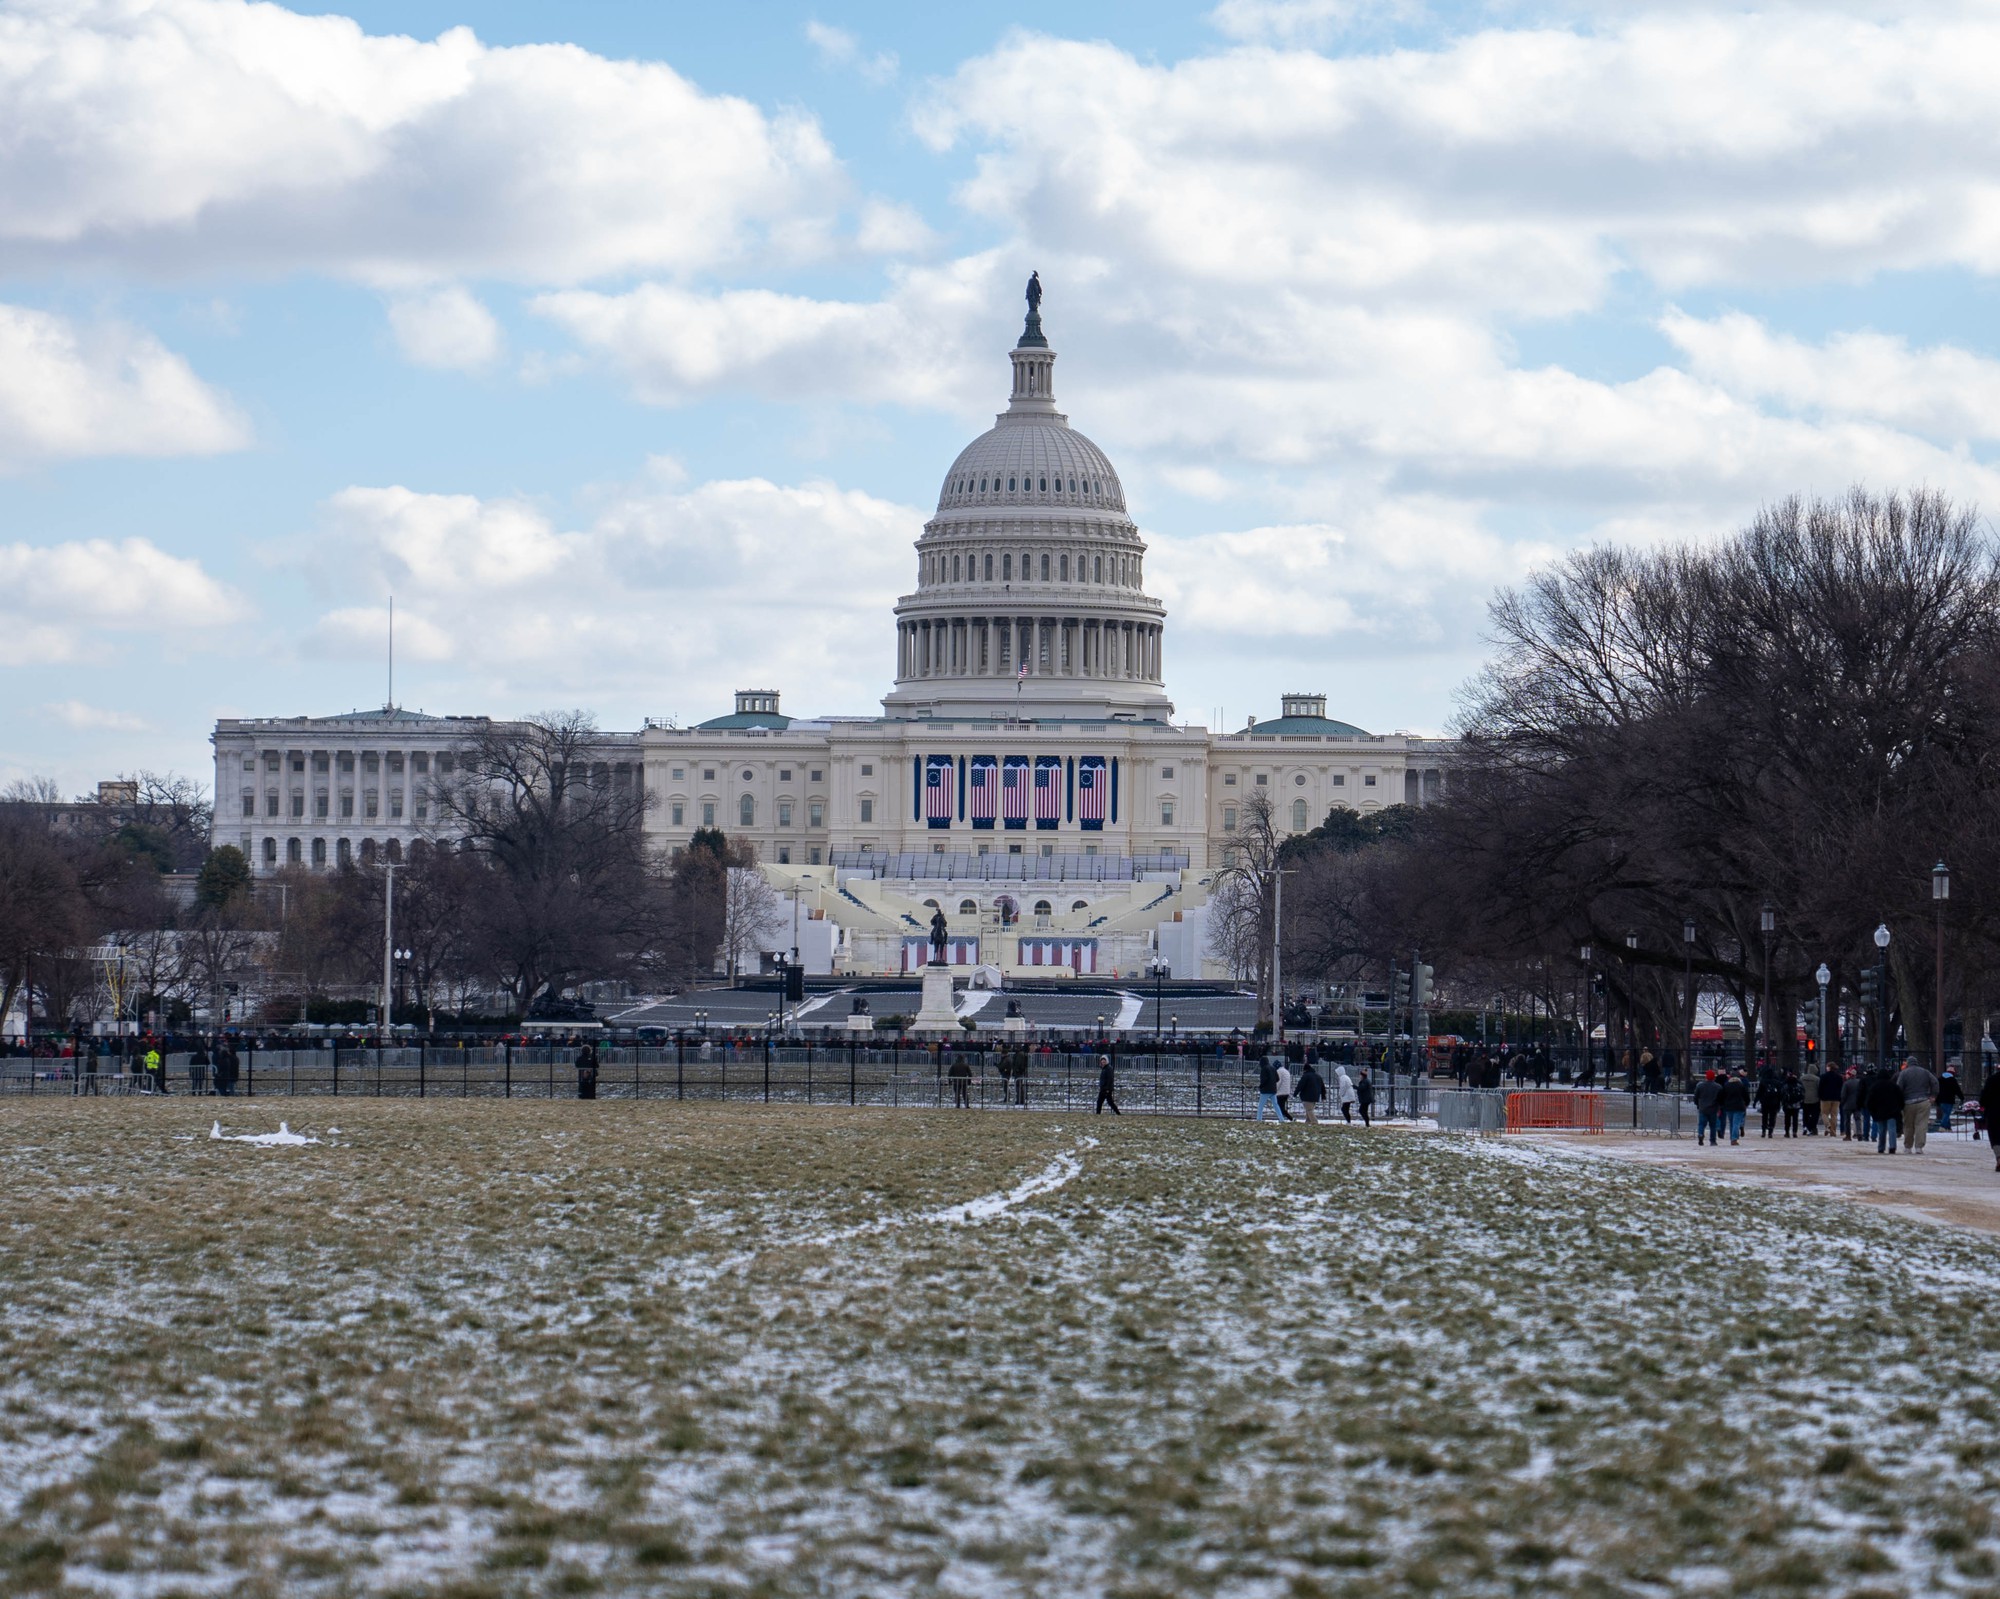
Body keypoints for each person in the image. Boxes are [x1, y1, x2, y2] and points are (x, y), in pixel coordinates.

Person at [1895, 1056, 1936, 1153]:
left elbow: (1898, 1087)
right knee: (1921, 1124)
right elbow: (1934, 1082)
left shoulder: (1903, 1073)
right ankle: (1919, 1147)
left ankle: (1908, 1147)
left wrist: (1899, 1099)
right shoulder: (1925, 1072)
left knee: (1908, 1125)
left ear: (1908, 1063)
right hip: (1923, 1101)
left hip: (1908, 1102)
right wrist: (1933, 1095)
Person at [1865, 1068, 1905, 1154]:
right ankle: (1892, 1147)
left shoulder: (1875, 1086)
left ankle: (1881, 1147)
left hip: (1879, 1112)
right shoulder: (1894, 1086)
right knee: (1892, 1129)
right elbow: (1900, 1098)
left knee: (1881, 1130)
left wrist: (1872, 1110)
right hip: (1892, 1111)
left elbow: (1870, 1100)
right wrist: (1899, 1108)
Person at [1718, 1068, 1749, 1145]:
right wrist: (1746, 1104)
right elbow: (1746, 1096)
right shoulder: (1741, 1085)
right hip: (1739, 1106)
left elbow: (1722, 1096)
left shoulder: (1726, 1085)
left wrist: (1722, 1104)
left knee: (1731, 1123)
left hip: (1729, 1107)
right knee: (1736, 1123)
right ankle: (1734, 1138)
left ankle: (1732, 1137)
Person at [1694, 1070, 1724, 1146]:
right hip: (1713, 1108)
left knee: (1701, 1124)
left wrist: (1698, 1104)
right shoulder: (1718, 1087)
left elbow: (1696, 1097)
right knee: (1713, 1125)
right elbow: (1721, 1098)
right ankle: (1712, 1140)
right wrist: (1720, 1106)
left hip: (1703, 1108)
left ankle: (1701, 1134)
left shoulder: (1700, 1086)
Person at [1980, 1068, 2000, 1172]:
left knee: (1995, 1136)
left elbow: (1984, 1096)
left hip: (1994, 1111)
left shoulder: (1992, 1079)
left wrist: (1983, 1104)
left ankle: (1999, 1157)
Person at [1297, 1059, 1325, 1124]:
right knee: (1309, 1109)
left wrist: (1296, 1093)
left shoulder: (1306, 1076)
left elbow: (1300, 1085)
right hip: (1316, 1096)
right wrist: (1323, 1096)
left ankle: (1315, 1122)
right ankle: (1308, 1121)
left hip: (1307, 1096)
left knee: (1309, 1110)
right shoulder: (1318, 1076)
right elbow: (1322, 1087)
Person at [1256, 1056, 1284, 1122]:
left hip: (1265, 1090)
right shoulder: (1273, 1068)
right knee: (1276, 1105)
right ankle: (1281, 1119)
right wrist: (1272, 1083)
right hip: (1273, 1090)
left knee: (1261, 1106)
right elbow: (1278, 1079)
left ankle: (1259, 1119)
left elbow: (1264, 1080)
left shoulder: (1264, 1069)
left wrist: (1260, 1086)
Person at [1840, 1066, 1864, 1141]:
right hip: (1857, 1104)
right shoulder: (1859, 1082)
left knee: (1847, 1120)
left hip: (1848, 1105)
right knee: (1858, 1119)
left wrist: (1842, 1103)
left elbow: (1843, 1095)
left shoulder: (1846, 1083)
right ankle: (1859, 1134)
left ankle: (1848, 1135)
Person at [1755, 1072, 1783, 1138]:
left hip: (1765, 1102)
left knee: (1764, 1116)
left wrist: (1756, 1101)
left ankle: (1763, 1131)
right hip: (1774, 1102)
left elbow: (1759, 1092)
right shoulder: (1777, 1083)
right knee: (1772, 1117)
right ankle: (1770, 1131)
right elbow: (1780, 1094)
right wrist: (1780, 1102)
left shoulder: (1763, 1082)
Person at [1936, 1066, 1962, 1132]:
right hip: (1949, 1099)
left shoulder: (1940, 1079)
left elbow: (1936, 1089)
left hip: (1941, 1099)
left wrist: (1936, 1099)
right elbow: (1957, 1090)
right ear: (1953, 1073)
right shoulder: (1953, 1080)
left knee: (1946, 1113)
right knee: (1947, 1114)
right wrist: (1961, 1097)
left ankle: (1948, 1128)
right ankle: (1942, 1126)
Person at [1780, 1068, 1803, 1138]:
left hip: (1787, 1104)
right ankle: (1794, 1132)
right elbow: (1802, 1093)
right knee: (1795, 1119)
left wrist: (1783, 1102)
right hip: (1796, 1104)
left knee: (1787, 1119)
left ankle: (1787, 1132)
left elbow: (1782, 1093)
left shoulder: (1786, 1084)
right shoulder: (1798, 1084)